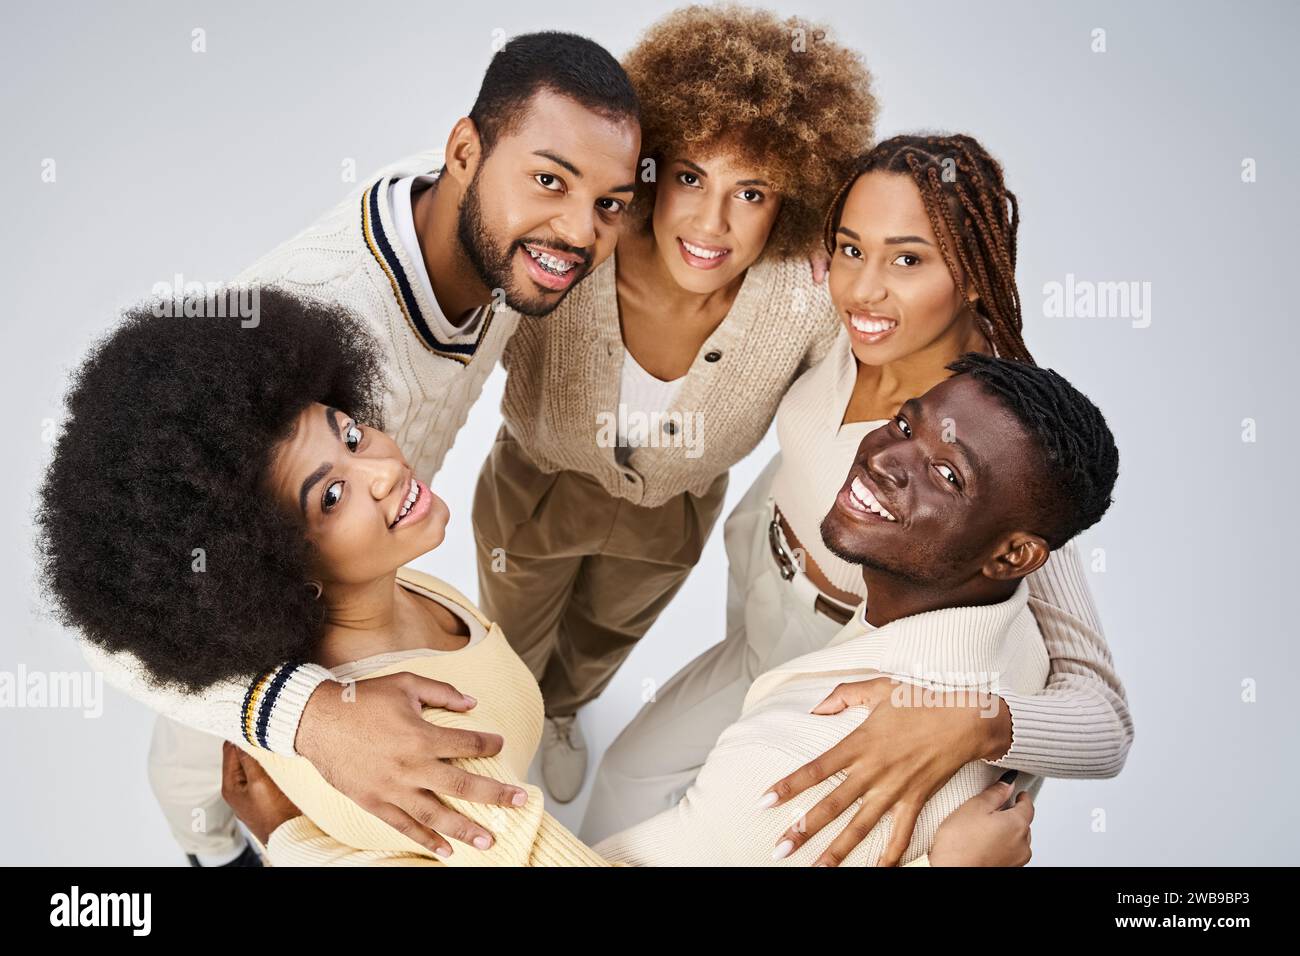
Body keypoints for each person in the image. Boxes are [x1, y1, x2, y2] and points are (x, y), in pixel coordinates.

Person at [40, 291, 1026, 866]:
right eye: (328, 496)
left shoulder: (397, 595)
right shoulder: (419, 739)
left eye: (348, 432)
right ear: (269, 564)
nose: (384, 467)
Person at [71, 31, 643, 863]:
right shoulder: (307, 307)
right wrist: (306, 714)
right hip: (247, 597)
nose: (578, 232)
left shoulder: (508, 233)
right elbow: (111, 617)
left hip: (356, 560)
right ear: (463, 151)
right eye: (550, 182)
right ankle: (207, 849)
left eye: (609, 203)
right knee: (203, 757)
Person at [583, 134, 1134, 863]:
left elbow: (1102, 717)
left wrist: (970, 724)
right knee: (627, 774)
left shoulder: (1000, 439)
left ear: (973, 277)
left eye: (908, 259)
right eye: (849, 249)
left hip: (837, 645)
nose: (862, 289)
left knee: (720, 827)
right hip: (762, 596)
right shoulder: (849, 324)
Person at [472, 4, 876, 802]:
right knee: (510, 631)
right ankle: (505, 722)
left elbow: (870, 381)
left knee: (602, 636)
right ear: (648, 167)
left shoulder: (802, 300)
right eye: (690, 175)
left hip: (672, 513)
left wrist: (859, 265)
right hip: (536, 484)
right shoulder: (574, 248)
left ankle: (561, 711)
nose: (711, 221)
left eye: (751, 192)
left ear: (792, 203)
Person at [594, 354, 1120, 865]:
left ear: (1014, 556)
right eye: (904, 425)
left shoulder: (799, 767)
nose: (885, 459)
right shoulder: (1024, 625)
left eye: (946, 474)